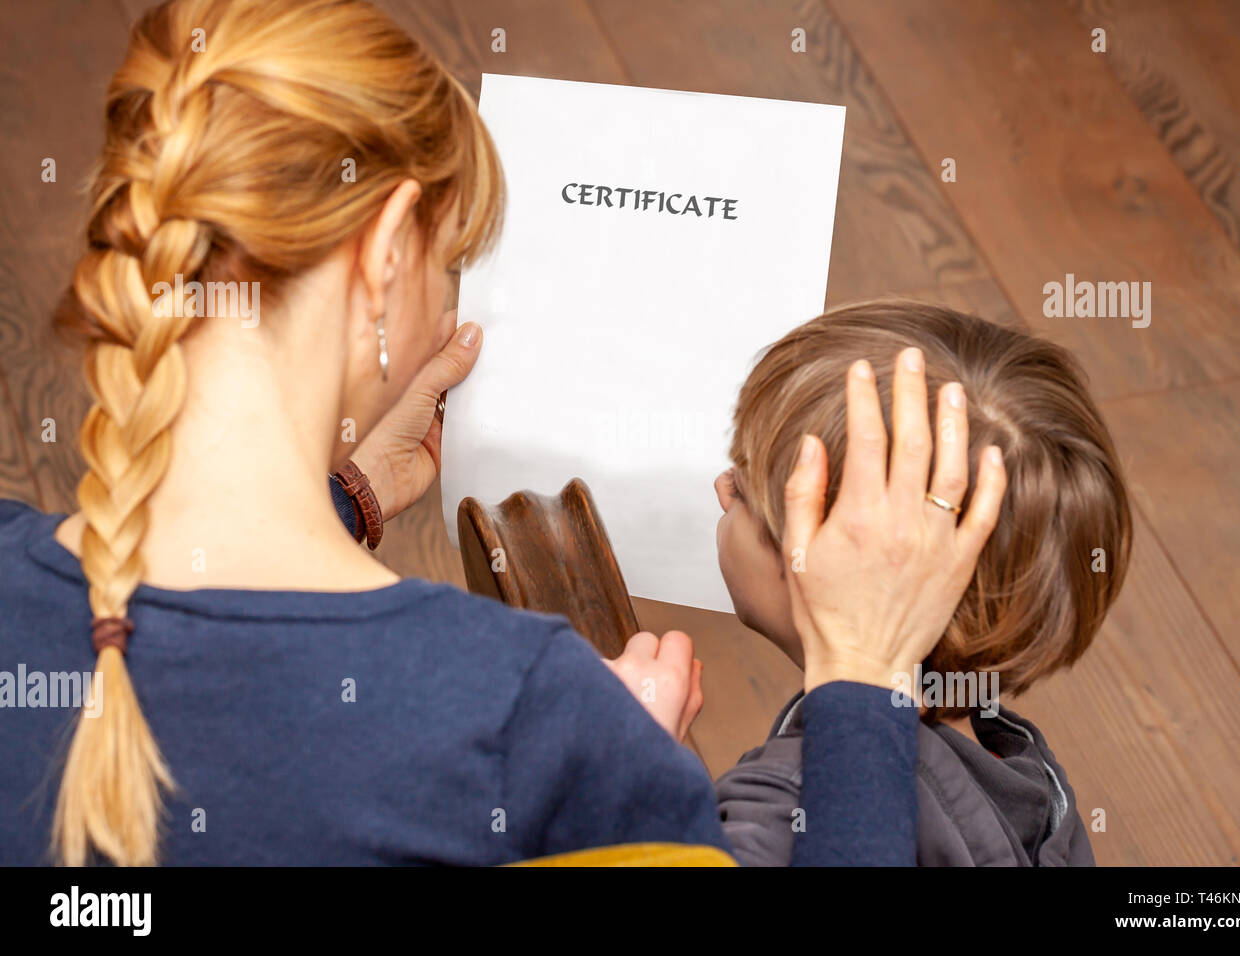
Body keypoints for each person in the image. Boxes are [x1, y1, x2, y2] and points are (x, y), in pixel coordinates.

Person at [0, 0, 1005, 866]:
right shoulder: (522, 712)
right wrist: (858, 679)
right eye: (457, 263)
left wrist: (341, 499)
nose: (454, 310)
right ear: (389, 248)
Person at [713, 300, 1131, 865]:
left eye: (743, 492)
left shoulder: (775, 816)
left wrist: (623, 766)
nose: (721, 488)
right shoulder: (1023, 782)